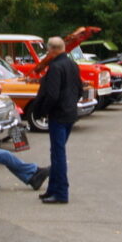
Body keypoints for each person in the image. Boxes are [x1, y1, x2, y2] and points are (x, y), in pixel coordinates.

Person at [31, 36, 82, 204]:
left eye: (48, 50)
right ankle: (52, 188)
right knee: (56, 153)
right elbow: (80, 89)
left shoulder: (55, 67)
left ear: (52, 50)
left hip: (58, 116)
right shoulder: (72, 65)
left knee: (58, 155)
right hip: (70, 114)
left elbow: (52, 95)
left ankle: (61, 193)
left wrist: (43, 111)